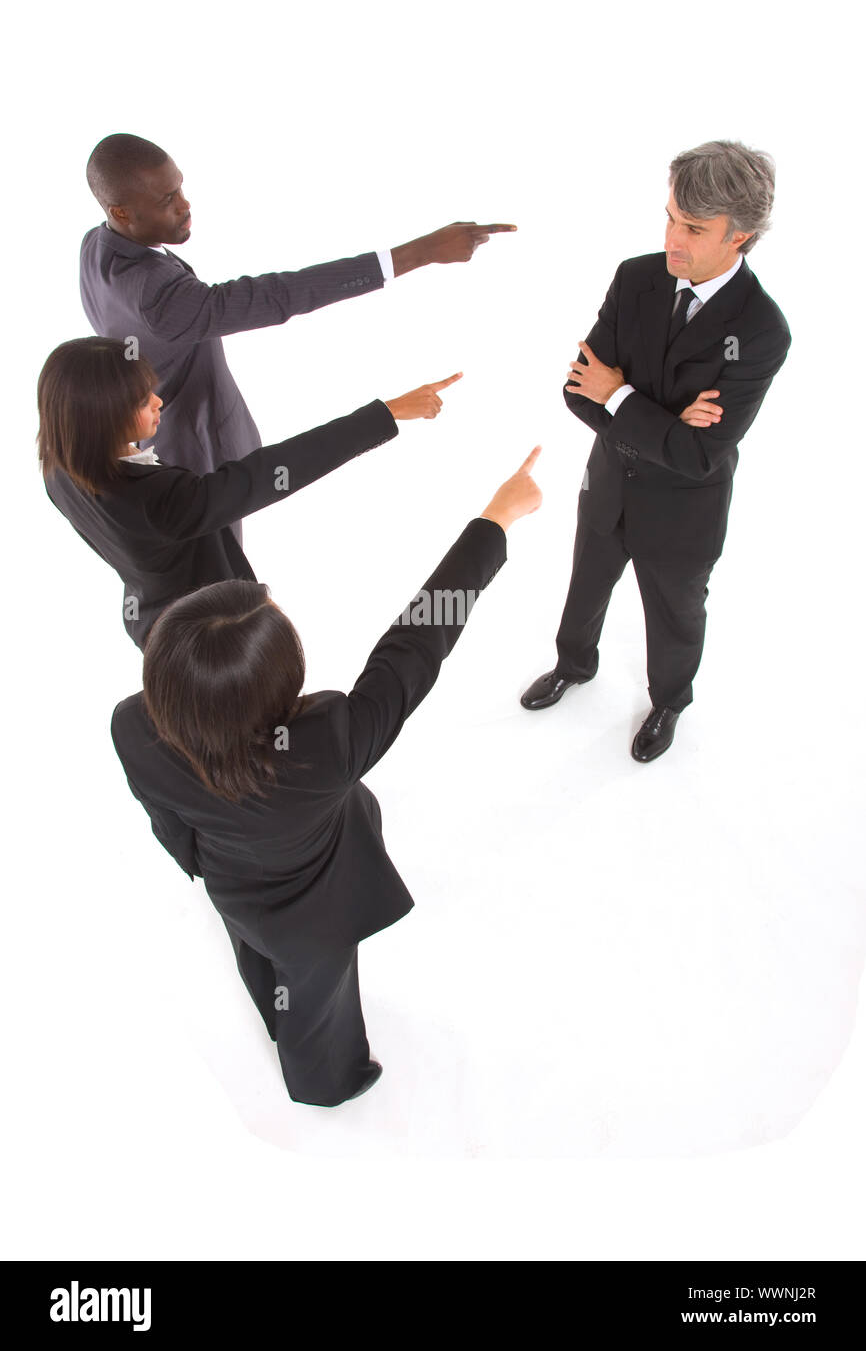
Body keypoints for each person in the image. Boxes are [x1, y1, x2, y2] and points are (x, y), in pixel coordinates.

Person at [110, 449, 542, 1107]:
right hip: (313, 918)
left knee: (257, 955)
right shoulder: (329, 743)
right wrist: (496, 519)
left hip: (232, 886)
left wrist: (200, 862)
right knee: (319, 1007)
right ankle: (326, 1083)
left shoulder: (132, 726)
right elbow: (416, 643)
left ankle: (270, 1008)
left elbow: (168, 820)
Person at [521, 140, 791, 762]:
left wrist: (620, 393)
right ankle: (572, 665)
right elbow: (577, 392)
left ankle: (669, 700)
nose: (674, 238)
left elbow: (702, 455)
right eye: (670, 216)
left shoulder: (761, 330)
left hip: (684, 510)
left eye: (693, 228)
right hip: (609, 483)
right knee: (586, 583)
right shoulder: (635, 276)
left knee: (675, 613)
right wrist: (661, 417)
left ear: (740, 236)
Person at [82, 132, 516, 475]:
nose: (185, 205)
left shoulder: (97, 247)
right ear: (121, 212)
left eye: (180, 189)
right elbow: (277, 295)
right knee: (220, 582)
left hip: (169, 443)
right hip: (198, 459)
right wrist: (420, 252)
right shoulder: (160, 298)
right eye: (166, 201)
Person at [38, 336, 460, 648]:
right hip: (216, 639)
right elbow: (271, 472)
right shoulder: (164, 500)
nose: (158, 401)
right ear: (101, 417)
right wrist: (386, 413)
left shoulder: (57, 468)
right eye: (141, 400)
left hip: (153, 625)